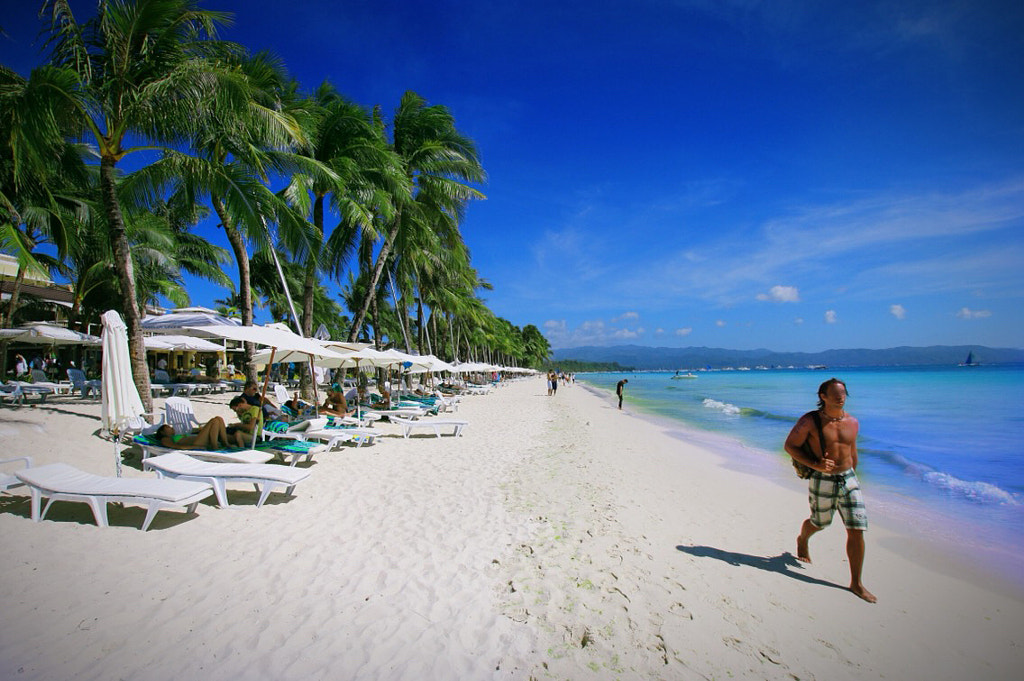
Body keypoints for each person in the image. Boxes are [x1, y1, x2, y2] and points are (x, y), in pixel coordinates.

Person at [784, 377, 876, 603]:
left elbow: (852, 453)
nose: (840, 397)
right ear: (823, 397)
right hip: (822, 479)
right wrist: (815, 465)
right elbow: (790, 446)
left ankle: (856, 583)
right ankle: (803, 540)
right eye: (835, 394)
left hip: (849, 480)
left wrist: (855, 476)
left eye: (843, 393)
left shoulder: (853, 422)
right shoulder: (810, 421)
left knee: (857, 529)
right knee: (820, 522)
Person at [154, 417, 243, 449]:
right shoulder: (165, 439)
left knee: (219, 419)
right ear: (163, 432)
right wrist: (193, 447)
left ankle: (225, 443)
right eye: (168, 427)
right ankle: (215, 446)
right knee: (214, 421)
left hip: (198, 439)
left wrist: (198, 430)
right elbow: (177, 447)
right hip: (197, 442)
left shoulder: (177, 435)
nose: (171, 428)